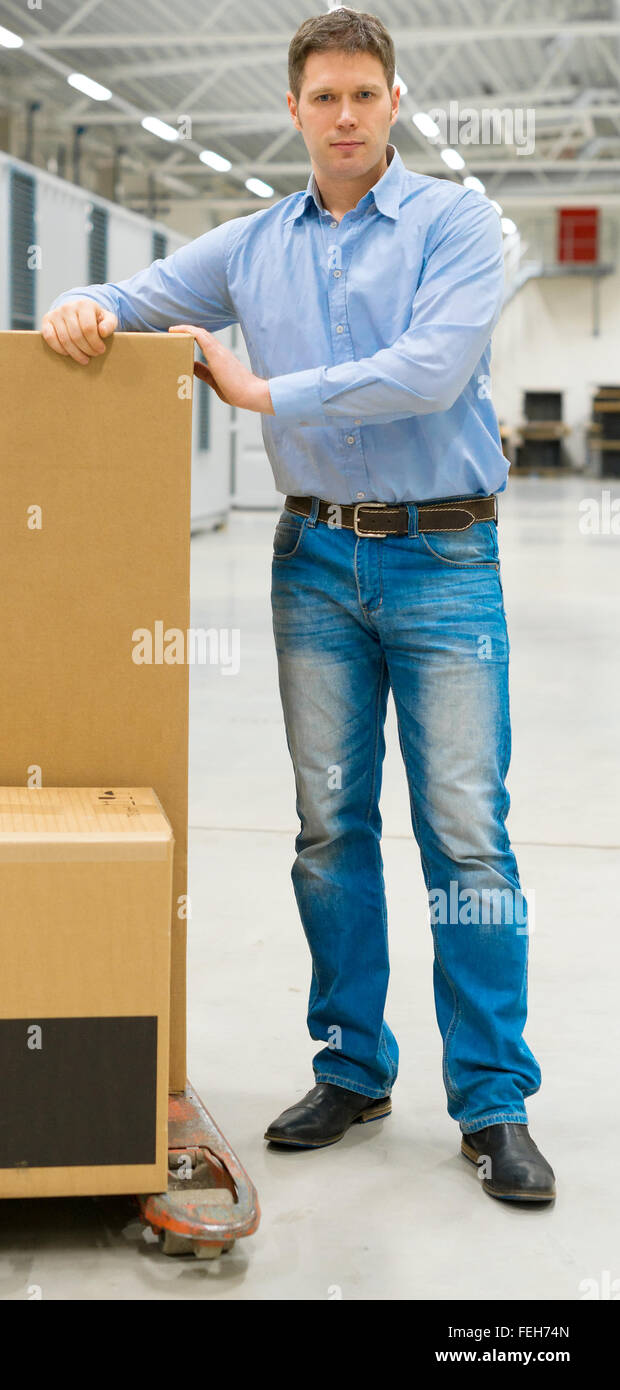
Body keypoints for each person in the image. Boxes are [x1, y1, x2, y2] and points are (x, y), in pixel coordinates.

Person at [41, 8, 554, 1203]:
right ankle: (353, 1068)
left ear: (392, 101)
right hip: (313, 561)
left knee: (466, 833)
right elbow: (128, 298)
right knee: (330, 827)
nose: (342, 116)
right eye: (321, 97)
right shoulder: (250, 244)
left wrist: (264, 390)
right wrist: (81, 306)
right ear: (293, 109)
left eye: (362, 95)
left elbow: (431, 367)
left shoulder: (456, 224)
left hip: (443, 560)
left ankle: (491, 1100)